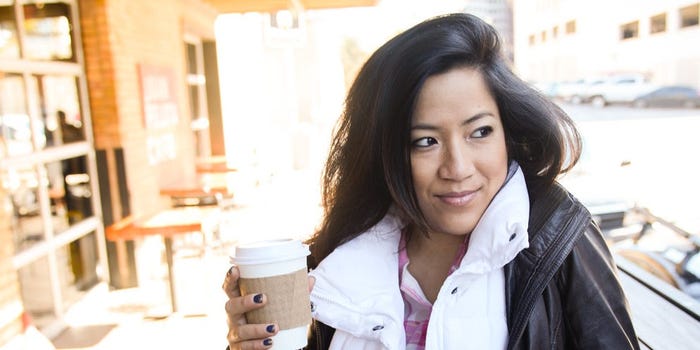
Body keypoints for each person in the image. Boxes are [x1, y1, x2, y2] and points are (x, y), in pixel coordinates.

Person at [222, 13, 639, 349]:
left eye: (479, 132)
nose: (457, 167)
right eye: (425, 141)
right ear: (385, 153)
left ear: (508, 132)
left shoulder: (559, 238)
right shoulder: (344, 260)